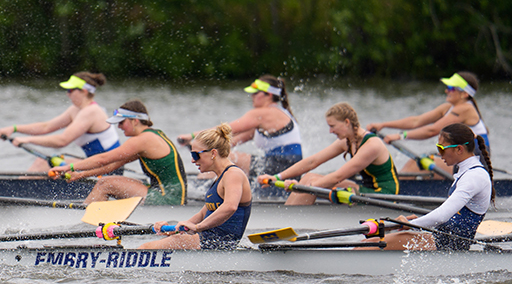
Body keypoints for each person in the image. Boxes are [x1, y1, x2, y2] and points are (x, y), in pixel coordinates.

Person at [368, 124, 493, 250]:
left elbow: (441, 216)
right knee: (370, 241)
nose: (439, 154)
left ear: (459, 149)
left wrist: (410, 224)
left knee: (368, 246)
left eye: (441, 148)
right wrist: (417, 221)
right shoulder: (467, 172)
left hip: (450, 245)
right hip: (442, 238)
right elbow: (448, 216)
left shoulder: (474, 176)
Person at [257, 102, 399, 205]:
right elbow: (313, 161)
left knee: (312, 182)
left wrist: (303, 189)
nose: (330, 131)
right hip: (366, 189)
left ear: (347, 122)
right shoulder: (348, 140)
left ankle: (288, 221)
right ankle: (286, 220)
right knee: (309, 176)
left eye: (332, 126)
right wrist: (277, 177)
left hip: (384, 196)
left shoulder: (372, 145)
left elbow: (338, 176)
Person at [49, 99, 187, 205]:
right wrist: (80, 175)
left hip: (168, 198)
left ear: (135, 121)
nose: (119, 126)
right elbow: (111, 166)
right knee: (106, 181)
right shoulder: (153, 134)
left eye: (121, 122)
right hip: (166, 192)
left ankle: (82, 222)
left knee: (105, 184)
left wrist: (68, 167)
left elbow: (104, 159)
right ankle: (95, 219)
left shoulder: (143, 139)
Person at [139, 124, 251, 250]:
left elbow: (230, 206)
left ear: (213, 153)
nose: (193, 160)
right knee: (162, 242)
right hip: (207, 240)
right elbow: (203, 213)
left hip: (217, 243)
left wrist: (197, 228)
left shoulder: (233, 174)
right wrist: (178, 229)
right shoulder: (220, 178)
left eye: (196, 155)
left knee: (145, 247)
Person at [366, 72, 490, 176]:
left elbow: (433, 130)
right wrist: (383, 124)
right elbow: (416, 121)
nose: (447, 90)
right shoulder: (448, 107)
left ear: (465, 94)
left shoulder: (465, 109)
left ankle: (393, 193)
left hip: (474, 160)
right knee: (416, 163)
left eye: (451, 88)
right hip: (459, 154)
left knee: (415, 165)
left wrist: (400, 136)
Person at [177, 75, 302, 177]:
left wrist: (191, 136)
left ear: (268, 95)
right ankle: (208, 186)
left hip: (285, 166)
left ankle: (204, 189)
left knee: (220, 157)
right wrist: (203, 146)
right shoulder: (267, 118)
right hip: (282, 165)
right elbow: (229, 141)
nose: (251, 96)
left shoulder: (264, 113)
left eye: (255, 93)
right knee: (219, 153)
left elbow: (223, 130)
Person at [0, 72, 121, 172]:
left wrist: (27, 140)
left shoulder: (92, 112)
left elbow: (62, 141)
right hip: (94, 164)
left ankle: (18, 193)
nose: (67, 94)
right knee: (46, 162)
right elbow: (46, 127)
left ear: (84, 91)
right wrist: (14, 128)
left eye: (70, 90)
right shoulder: (75, 110)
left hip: (109, 169)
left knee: (43, 163)